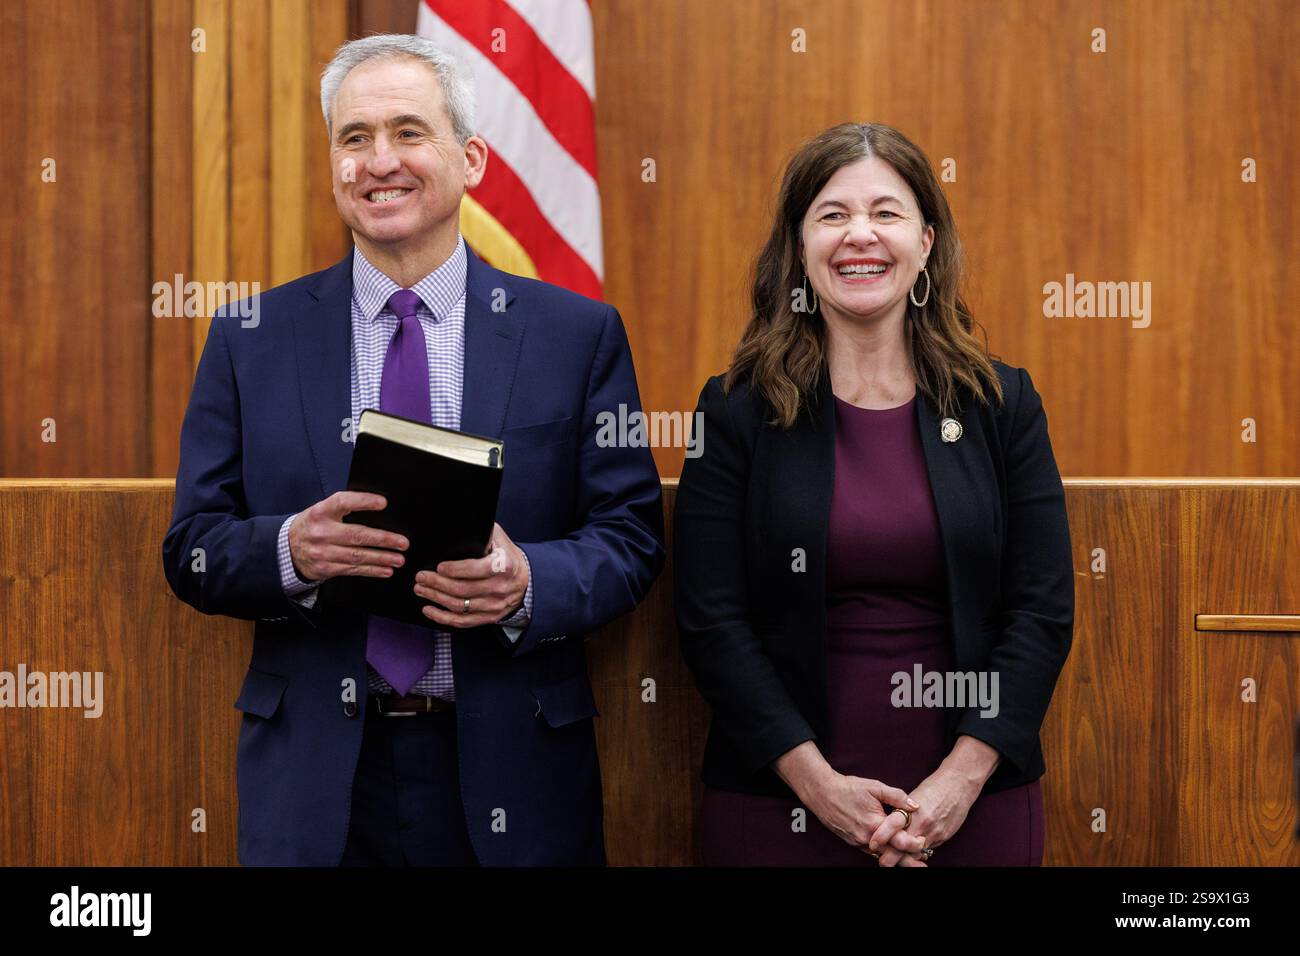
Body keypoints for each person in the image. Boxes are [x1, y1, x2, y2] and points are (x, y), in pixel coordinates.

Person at [162, 34, 664, 866]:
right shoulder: (250, 337)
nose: (377, 161)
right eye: (353, 139)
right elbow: (192, 548)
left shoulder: (574, 336)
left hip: (512, 770)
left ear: (470, 159)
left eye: (407, 132)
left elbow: (631, 539)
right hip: (317, 785)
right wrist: (291, 551)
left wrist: (528, 581)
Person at [674, 122, 1073, 866]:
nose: (860, 235)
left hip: (971, 804)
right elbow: (709, 619)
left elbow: (1042, 610)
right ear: (799, 248)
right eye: (832, 215)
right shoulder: (734, 410)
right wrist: (818, 786)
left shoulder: (1001, 403)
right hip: (779, 803)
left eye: (886, 213)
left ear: (926, 243)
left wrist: (960, 779)